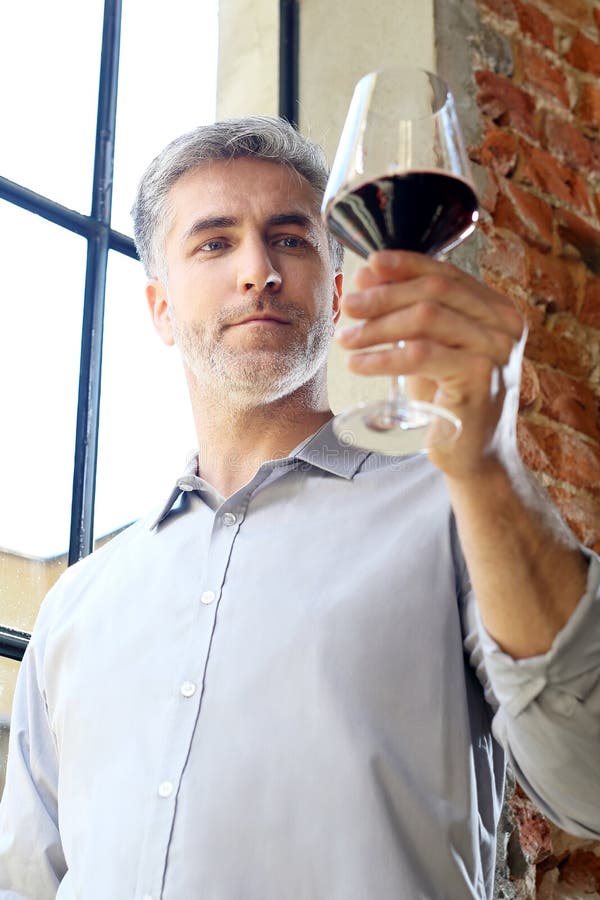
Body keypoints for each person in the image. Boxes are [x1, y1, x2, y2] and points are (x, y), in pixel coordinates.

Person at [0, 116, 598, 900]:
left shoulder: (460, 508)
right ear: (158, 308)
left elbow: (588, 777)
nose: (259, 270)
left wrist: (488, 467)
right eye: (214, 243)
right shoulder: (75, 605)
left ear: (340, 291)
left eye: (290, 238)